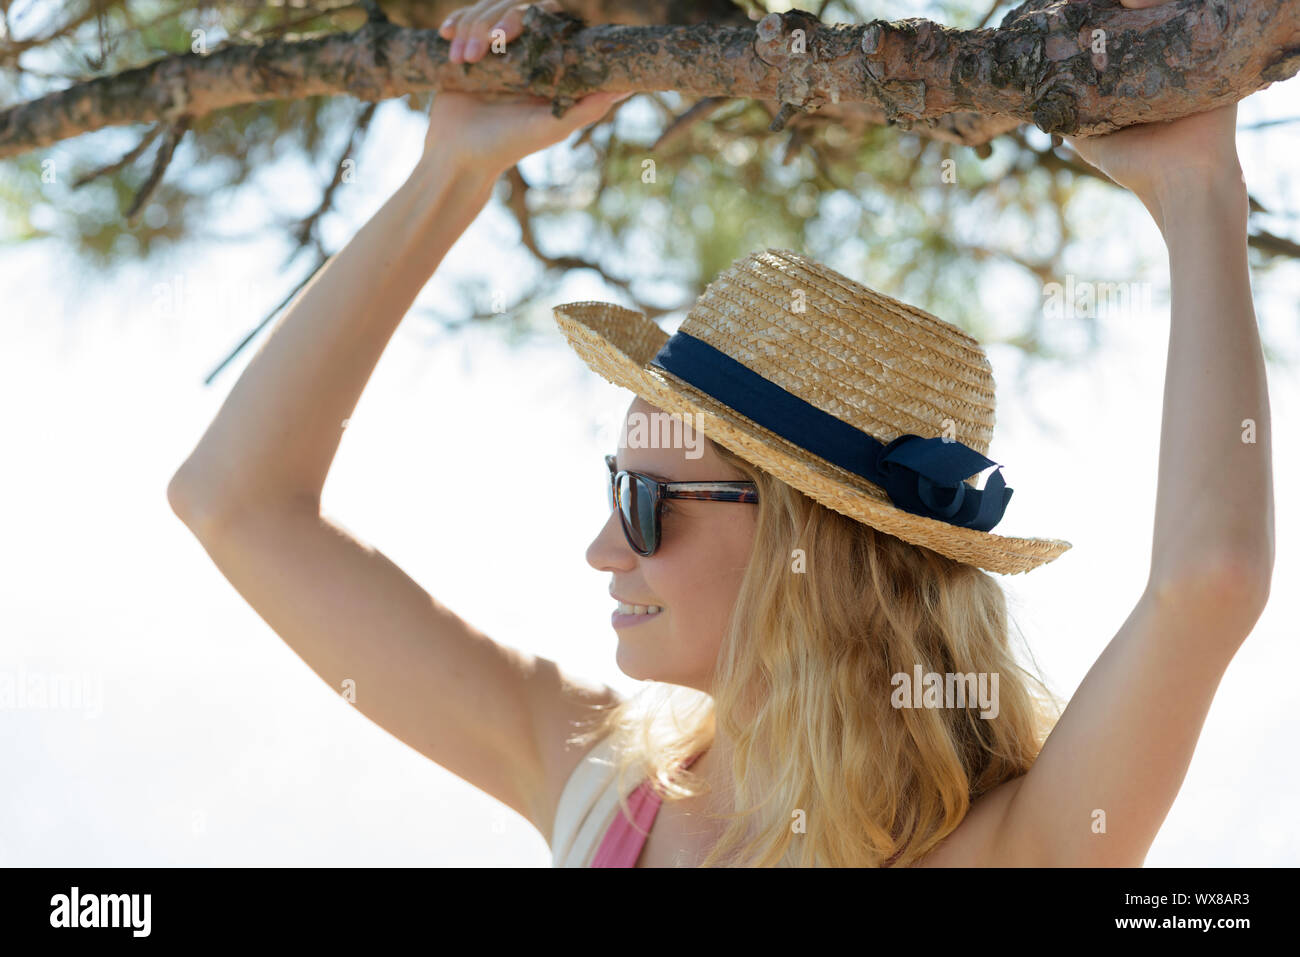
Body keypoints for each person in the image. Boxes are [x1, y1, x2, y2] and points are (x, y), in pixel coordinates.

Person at [167, 0, 1274, 867]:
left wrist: (1198, 196)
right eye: (616, 492)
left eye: (645, 502)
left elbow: (1210, 579)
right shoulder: (598, 782)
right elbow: (231, 502)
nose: (604, 548)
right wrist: (449, 174)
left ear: (816, 540)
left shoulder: (1008, 852)